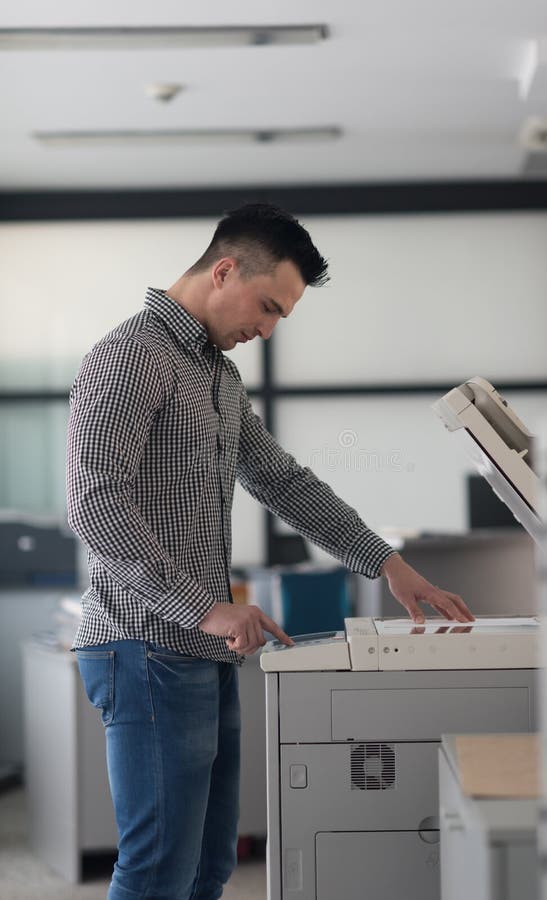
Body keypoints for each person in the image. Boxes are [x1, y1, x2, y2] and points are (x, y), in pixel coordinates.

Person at [66, 202, 474, 900]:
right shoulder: (133, 356)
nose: (268, 327)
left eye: (281, 314)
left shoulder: (216, 375)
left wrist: (389, 565)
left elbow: (282, 481)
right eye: (267, 306)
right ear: (222, 271)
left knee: (207, 867)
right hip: (145, 646)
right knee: (157, 867)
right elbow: (95, 502)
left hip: (200, 646)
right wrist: (205, 610)